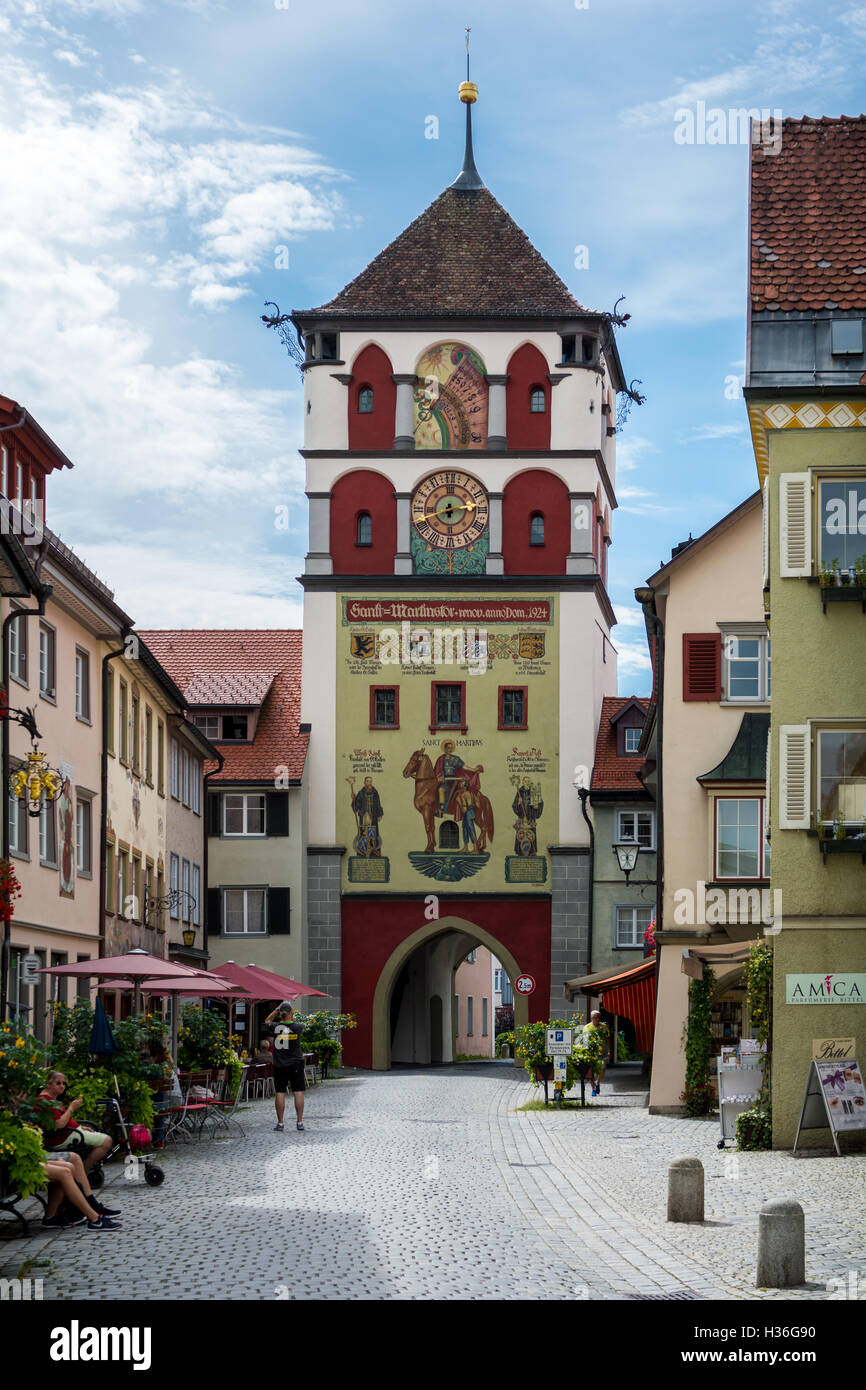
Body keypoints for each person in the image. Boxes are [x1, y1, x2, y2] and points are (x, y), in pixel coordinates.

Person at [37, 1072, 113, 1173]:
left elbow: (63, 1119)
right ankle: (83, 1172)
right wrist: (72, 1108)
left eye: (64, 1083)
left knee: (98, 1134)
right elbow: (59, 1124)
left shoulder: (51, 1098)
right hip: (62, 1137)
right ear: (48, 1083)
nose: (62, 1086)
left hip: (69, 1132)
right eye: (58, 1083)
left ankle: (82, 1171)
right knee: (107, 1141)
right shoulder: (46, 1101)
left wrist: (80, 1127)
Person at [40, 1148, 122, 1229]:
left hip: (34, 1156)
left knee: (69, 1166)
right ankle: (94, 1218)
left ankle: (52, 1216)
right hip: (30, 1162)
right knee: (65, 1172)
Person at [262, 1002, 306, 1133]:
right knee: (298, 1092)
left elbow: (267, 1021)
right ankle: (299, 1122)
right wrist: (290, 1013)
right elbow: (294, 1021)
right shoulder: (298, 1027)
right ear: (291, 1013)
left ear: (281, 1014)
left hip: (280, 1064)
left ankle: (280, 1123)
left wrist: (276, 1010)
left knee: (280, 1092)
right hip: (296, 1063)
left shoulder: (275, 1027)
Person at [583, 1011, 611, 1096]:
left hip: (602, 1052)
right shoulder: (587, 1027)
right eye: (596, 1017)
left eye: (599, 1017)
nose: (598, 1019)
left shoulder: (604, 1027)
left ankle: (597, 1083)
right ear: (592, 1018)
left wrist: (609, 1051)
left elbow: (607, 1039)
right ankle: (593, 1089)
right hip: (591, 1053)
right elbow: (584, 1041)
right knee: (591, 1071)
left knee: (602, 1069)